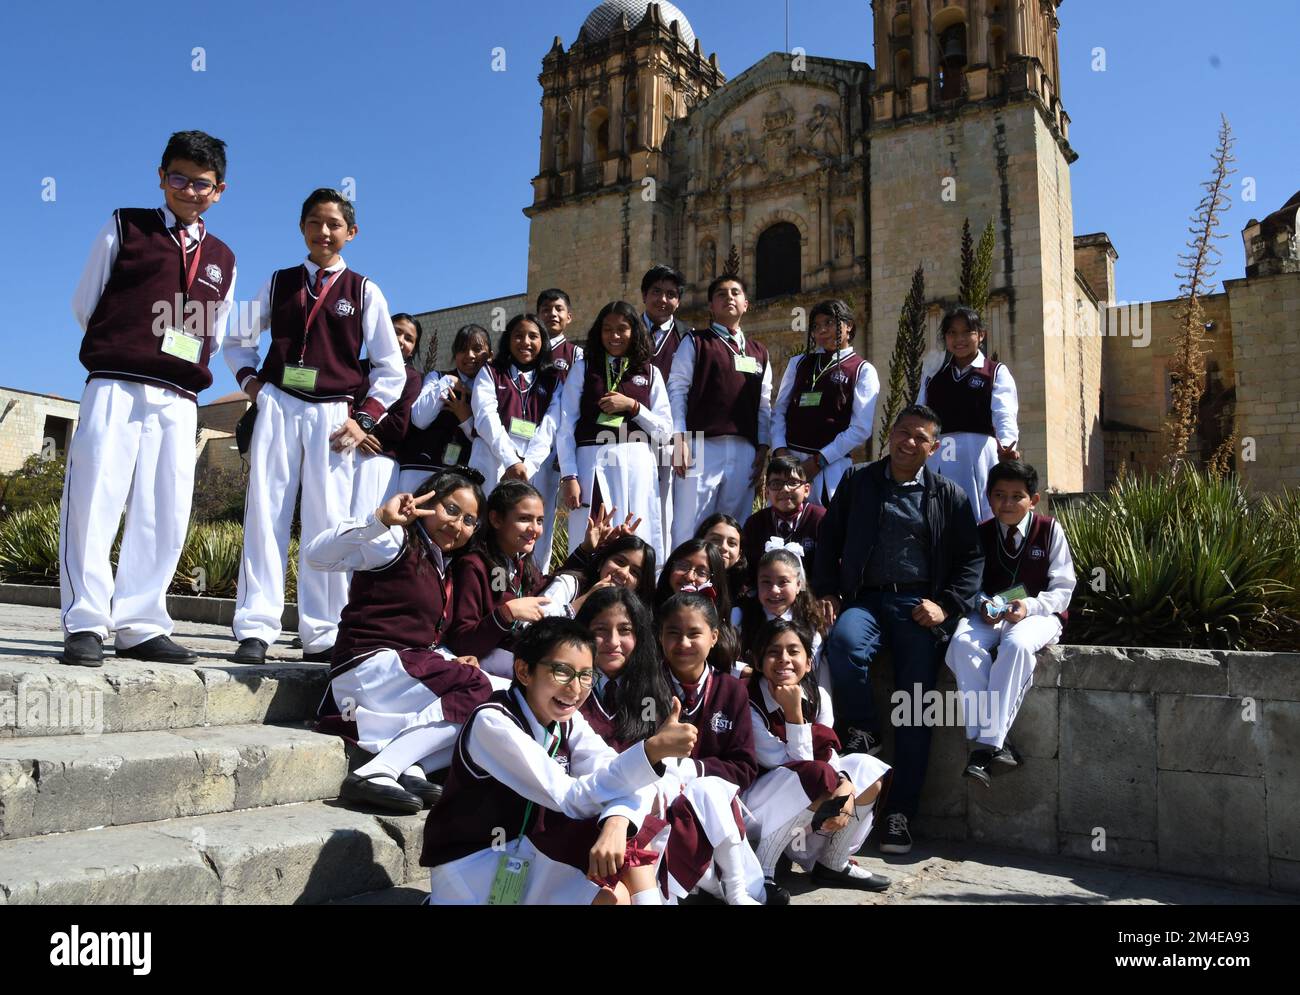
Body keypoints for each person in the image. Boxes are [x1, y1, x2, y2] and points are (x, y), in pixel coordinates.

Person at [60, 130, 238, 667]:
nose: (190, 189)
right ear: (162, 177)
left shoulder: (224, 258)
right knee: (96, 497)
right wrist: (128, 345)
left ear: (219, 190)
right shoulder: (125, 226)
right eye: (179, 177)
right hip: (117, 381)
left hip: (180, 396)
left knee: (164, 507)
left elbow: (216, 328)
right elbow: (85, 304)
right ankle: (86, 619)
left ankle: (140, 623)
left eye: (202, 183)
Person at [224, 187, 405, 665]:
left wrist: (364, 419)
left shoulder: (364, 290)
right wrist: (253, 386)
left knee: (328, 524)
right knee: (266, 512)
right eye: (314, 222)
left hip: (334, 414)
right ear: (301, 226)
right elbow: (237, 339)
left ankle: (322, 632)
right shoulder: (278, 281)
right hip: (280, 402)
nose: (323, 232)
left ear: (351, 232)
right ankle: (256, 628)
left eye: (333, 224)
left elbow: (391, 368)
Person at [419, 618, 698, 905]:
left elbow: (619, 773)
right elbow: (570, 797)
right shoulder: (492, 723)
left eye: (586, 675)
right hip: (476, 863)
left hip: (526, 852)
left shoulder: (567, 720)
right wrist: (650, 751)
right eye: (562, 672)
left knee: (619, 882)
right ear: (524, 671)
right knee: (613, 893)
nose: (575, 689)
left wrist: (617, 823)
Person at [811, 404, 983, 855]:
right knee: (843, 644)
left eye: (920, 437)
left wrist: (946, 606)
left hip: (917, 606)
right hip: (865, 599)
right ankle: (865, 728)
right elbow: (828, 541)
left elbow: (971, 560)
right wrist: (827, 590)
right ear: (890, 434)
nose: (909, 442)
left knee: (916, 707)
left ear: (934, 446)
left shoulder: (949, 495)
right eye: (902, 432)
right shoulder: (858, 482)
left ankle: (899, 814)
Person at [305, 470, 490, 814]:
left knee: (503, 696)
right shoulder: (394, 541)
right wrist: (378, 520)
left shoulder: (442, 565)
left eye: (469, 520)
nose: (457, 525)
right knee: (479, 689)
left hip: (399, 671)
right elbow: (317, 556)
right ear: (426, 502)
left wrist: (450, 661)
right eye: (450, 509)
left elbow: (422, 636)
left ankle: (414, 765)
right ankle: (378, 771)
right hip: (366, 666)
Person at [576, 587, 769, 904]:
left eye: (624, 631)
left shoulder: (725, 689)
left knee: (707, 790)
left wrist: (686, 766)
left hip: (676, 801)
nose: (683, 644)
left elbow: (744, 767)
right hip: (621, 804)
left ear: (715, 636)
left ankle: (735, 890)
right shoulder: (648, 685)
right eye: (673, 633)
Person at [945, 461, 1075, 785]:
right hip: (992, 613)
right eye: (999, 495)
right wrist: (981, 604)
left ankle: (984, 746)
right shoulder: (981, 533)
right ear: (988, 497)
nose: (1007, 503)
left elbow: (1063, 588)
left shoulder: (1049, 529)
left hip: (1040, 615)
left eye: (1017, 496)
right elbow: (970, 582)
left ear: (1034, 499)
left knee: (1016, 645)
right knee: (961, 645)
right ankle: (996, 745)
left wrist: (1029, 606)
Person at [744, 620, 892, 892]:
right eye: (773, 652)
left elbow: (829, 753)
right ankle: (762, 871)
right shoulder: (748, 702)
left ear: (809, 662)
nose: (784, 660)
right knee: (814, 775)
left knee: (867, 767)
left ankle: (832, 864)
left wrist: (845, 784)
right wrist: (794, 714)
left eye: (793, 651)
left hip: (812, 798)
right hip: (761, 801)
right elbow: (793, 765)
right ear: (758, 659)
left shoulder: (819, 695)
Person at [558, 301, 673, 565]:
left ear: (635, 332)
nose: (615, 336)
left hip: (636, 463)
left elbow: (665, 431)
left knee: (636, 534)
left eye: (622, 329)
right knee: (593, 536)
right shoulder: (584, 369)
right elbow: (566, 426)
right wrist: (569, 475)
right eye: (607, 329)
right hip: (591, 463)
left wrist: (633, 407)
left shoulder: (650, 372)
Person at [668, 276, 772, 547]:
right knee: (690, 524)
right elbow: (677, 389)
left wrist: (763, 446)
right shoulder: (695, 342)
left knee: (733, 527)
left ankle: (725, 587)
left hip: (744, 450)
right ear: (711, 306)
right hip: (701, 445)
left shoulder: (759, 352)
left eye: (735, 292)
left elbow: (764, 403)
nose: (729, 297)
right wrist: (679, 437)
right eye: (721, 294)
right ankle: (682, 586)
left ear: (746, 304)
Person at [469, 314, 563, 572]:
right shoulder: (491, 372)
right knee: (488, 521)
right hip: (494, 459)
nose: (526, 342)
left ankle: (532, 588)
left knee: (533, 530)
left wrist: (527, 465)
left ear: (542, 341)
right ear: (508, 340)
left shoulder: (552, 379)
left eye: (533, 336)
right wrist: (511, 460)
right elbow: (485, 416)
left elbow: (551, 424)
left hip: (535, 466)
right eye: (518, 335)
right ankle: (481, 585)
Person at [917, 307, 1019, 524]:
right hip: (940, 455)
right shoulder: (934, 374)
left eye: (967, 332)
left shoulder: (994, 372)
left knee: (980, 518)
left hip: (979, 454)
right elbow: (920, 414)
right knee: (941, 518)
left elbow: (1004, 414)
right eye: (952, 333)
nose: (959, 339)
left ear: (981, 335)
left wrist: (1008, 444)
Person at [771, 299, 878, 506]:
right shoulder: (799, 363)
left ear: (849, 327)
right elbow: (780, 410)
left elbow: (861, 428)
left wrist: (819, 461)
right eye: (816, 326)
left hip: (831, 468)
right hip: (789, 464)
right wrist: (780, 452)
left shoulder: (862, 370)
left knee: (825, 528)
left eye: (829, 323)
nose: (822, 330)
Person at [444, 480, 551, 677]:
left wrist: (586, 554)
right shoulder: (473, 566)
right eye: (524, 518)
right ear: (496, 519)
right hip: (484, 670)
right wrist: (506, 615)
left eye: (540, 520)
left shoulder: (513, 562)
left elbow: (544, 590)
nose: (535, 529)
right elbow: (462, 642)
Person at [399, 323, 491, 493]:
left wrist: (466, 419)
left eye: (477, 349)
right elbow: (419, 418)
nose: (470, 355)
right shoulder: (438, 377)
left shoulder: (492, 390)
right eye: (462, 349)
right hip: (421, 471)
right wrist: (449, 381)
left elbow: (488, 441)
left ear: (489, 355)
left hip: (459, 480)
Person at [350, 312, 422, 518]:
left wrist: (358, 426)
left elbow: (399, 425)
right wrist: (356, 432)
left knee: (365, 523)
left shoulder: (412, 379)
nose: (400, 340)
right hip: (343, 450)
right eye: (396, 332)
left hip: (378, 460)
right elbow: (339, 405)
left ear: (413, 350)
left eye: (409, 339)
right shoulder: (356, 368)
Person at [640, 265, 692, 543]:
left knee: (673, 508)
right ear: (644, 295)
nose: (663, 299)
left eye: (671, 294)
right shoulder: (625, 332)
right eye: (656, 292)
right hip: (632, 431)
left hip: (675, 432)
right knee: (638, 501)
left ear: (679, 301)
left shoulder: (690, 338)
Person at [733, 548, 828, 690]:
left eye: (783, 582)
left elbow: (811, 668)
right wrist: (744, 670)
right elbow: (725, 659)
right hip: (748, 692)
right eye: (766, 582)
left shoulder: (810, 622)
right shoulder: (740, 616)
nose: (774, 590)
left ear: (798, 585)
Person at [535, 289, 583, 569]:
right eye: (545, 309)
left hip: (558, 445)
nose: (551, 313)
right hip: (526, 442)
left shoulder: (576, 354)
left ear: (569, 316)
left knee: (548, 515)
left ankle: (540, 575)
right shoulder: (529, 347)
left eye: (558, 309)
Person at [739, 455, 826, 589]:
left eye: (792, 482)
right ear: (767, 492)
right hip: (766, 598)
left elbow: (828, 568)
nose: (785, 489)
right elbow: (748, 572)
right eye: (776, 484)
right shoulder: (755, 524)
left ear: (807, 489)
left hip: (811, 597)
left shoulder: (820, 519)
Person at [695, 513, 749, 600]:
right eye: (715, 540)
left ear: (739, 554)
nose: (724, 547)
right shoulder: (685, 580)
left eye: (731, 543)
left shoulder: (744, 596)